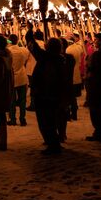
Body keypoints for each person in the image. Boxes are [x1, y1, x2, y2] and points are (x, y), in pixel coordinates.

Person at [25, 23, 65, 154]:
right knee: (52, 120)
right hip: (55, 94)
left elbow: (31, 45)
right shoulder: (61, 59)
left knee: (45, 121)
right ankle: (54, 142)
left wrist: (30, 30)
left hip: (44, 94)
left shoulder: (45, 57)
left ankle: (53, 145)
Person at [7, 34, 30, 126]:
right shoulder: (24, 50)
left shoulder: (8, 51)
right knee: (22, 100)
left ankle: (12, 119)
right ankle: (22, 119)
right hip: (22, 77)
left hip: (12, 78)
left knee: (12, 101)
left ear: (9, 41)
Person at [59, 38, 76, 143]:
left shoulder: (67, 59)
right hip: (67, 86)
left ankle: (62, 133)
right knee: (61, 111)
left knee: (62, 111)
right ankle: (61, 133)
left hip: (63, 87)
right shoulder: (68, 58)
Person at [65, 33, 85, 120]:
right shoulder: (79, 47)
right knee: (73, 97)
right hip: (77, 73)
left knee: (69, 96)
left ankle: (70, 114)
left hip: (70, 75)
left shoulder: (68, 50)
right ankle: (74, 113)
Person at [26, 30, 45, 112]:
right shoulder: (45, 44)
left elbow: (27, 55)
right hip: (41, 69)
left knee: (33, 88)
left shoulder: (32, 44)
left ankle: (33, 104)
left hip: (31, 69)